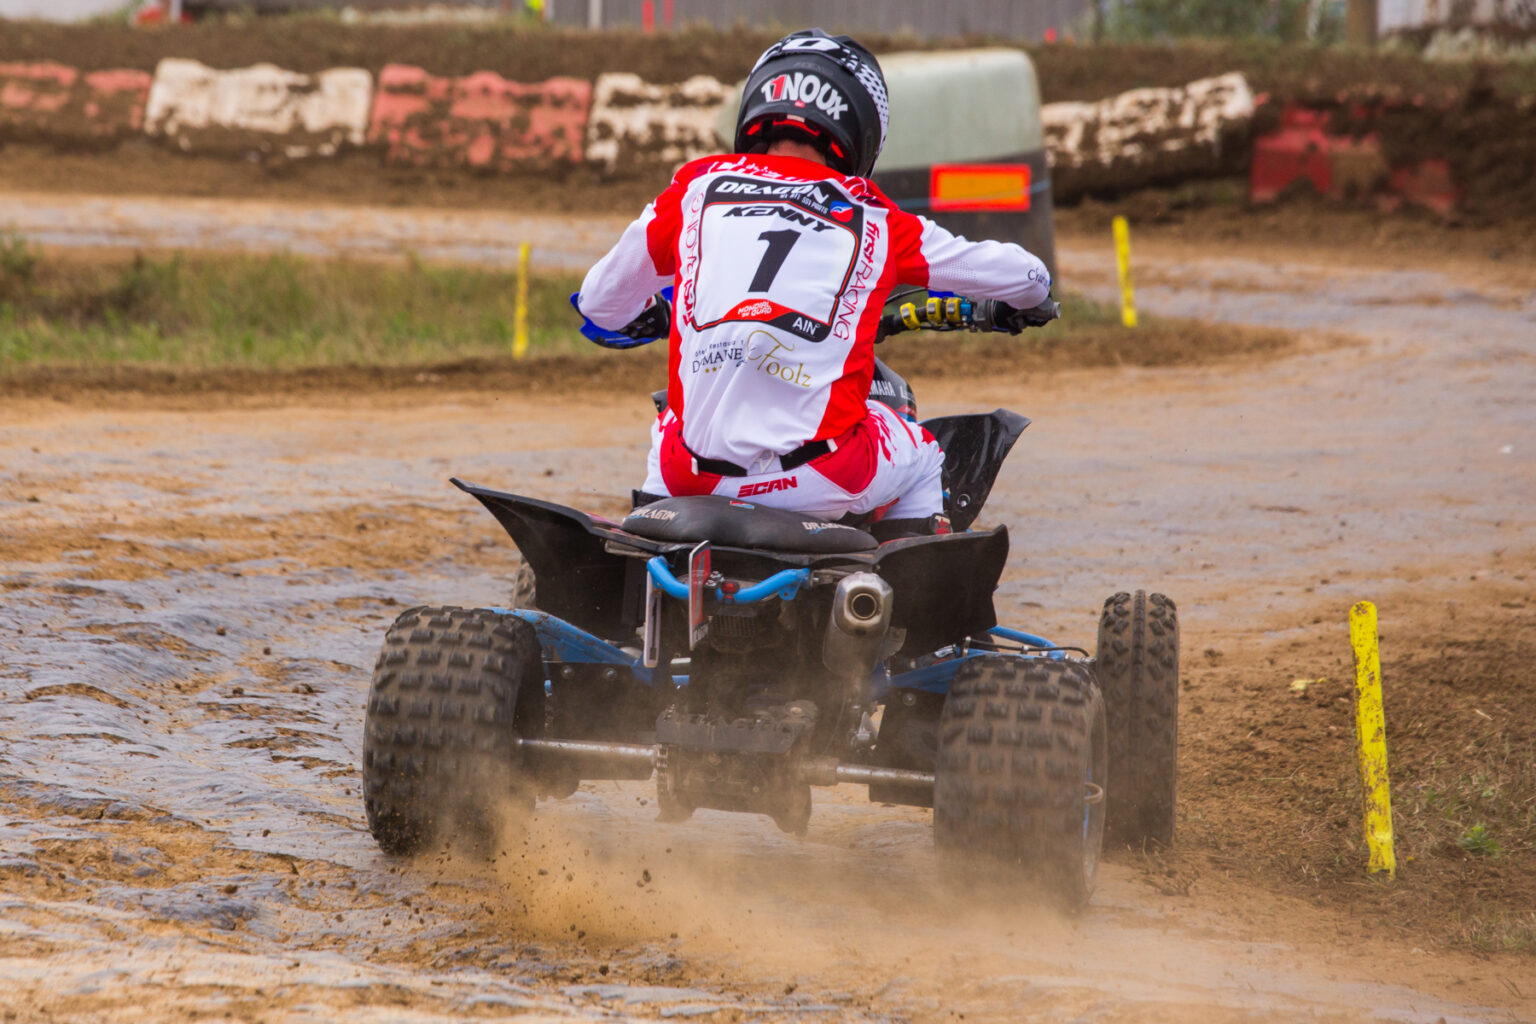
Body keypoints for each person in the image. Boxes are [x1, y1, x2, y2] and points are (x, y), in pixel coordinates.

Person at [576, 29, 1054, 536]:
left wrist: (651, 312)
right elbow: (1027, 275)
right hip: (819, 477)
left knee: (670, 422)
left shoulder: (697, 188)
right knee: (922, 452)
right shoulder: (871, 215)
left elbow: (599, 303)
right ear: (861, 128)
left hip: (691, 477)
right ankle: (894, 598)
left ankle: (650, 559)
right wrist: (1024, 301)